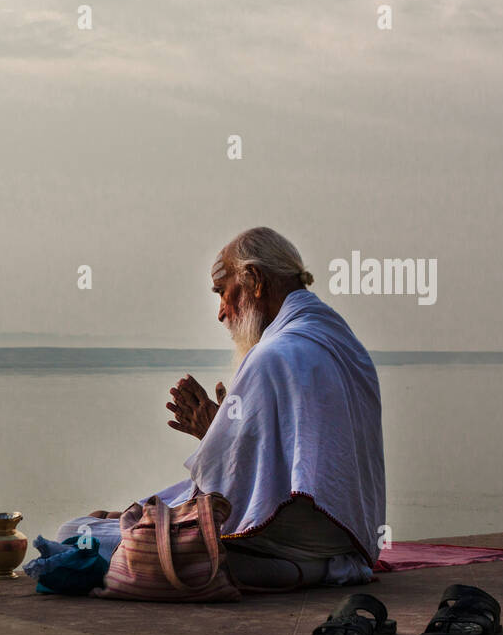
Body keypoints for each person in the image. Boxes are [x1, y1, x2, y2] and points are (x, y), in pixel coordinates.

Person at [57, 227, 386, 590]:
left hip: (286, 541)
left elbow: (233, 494)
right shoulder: (344, 343)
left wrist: (213, 437)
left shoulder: (271, 355)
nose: (221, 313)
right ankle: (309, 568)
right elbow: (284, 463)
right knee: (128, 516)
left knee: (77, 531)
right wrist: (219, 435)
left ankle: (299, 569)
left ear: (255, 280)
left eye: (223, 292)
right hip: (349, 538)